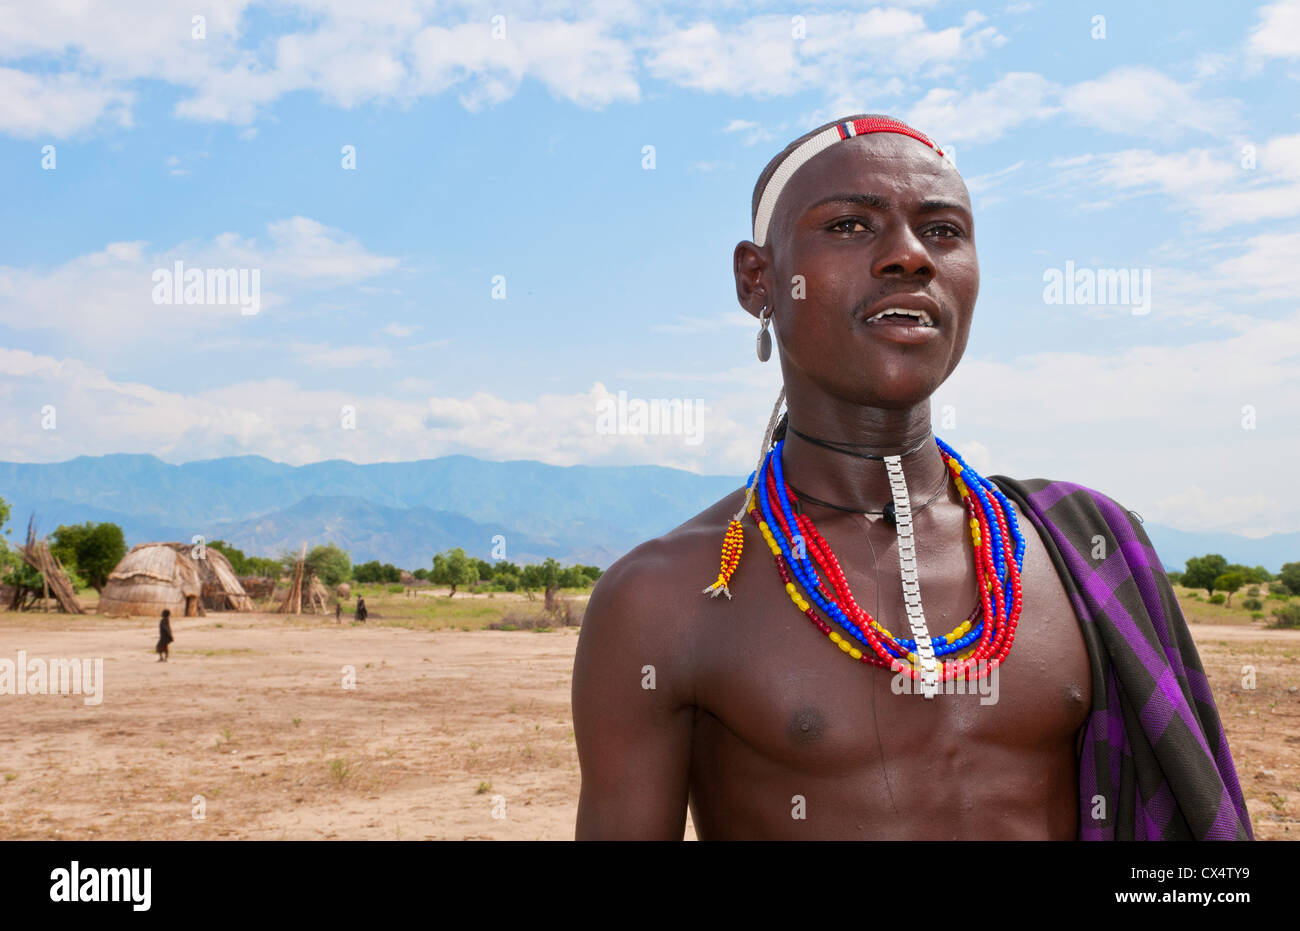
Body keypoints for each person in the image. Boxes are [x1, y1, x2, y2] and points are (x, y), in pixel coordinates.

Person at [572, 115, 1252, 841]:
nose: (909, 256)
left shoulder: (1080, 547)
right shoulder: (664, 598)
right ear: (757, 280)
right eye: (849, 226)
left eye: (944, 231)